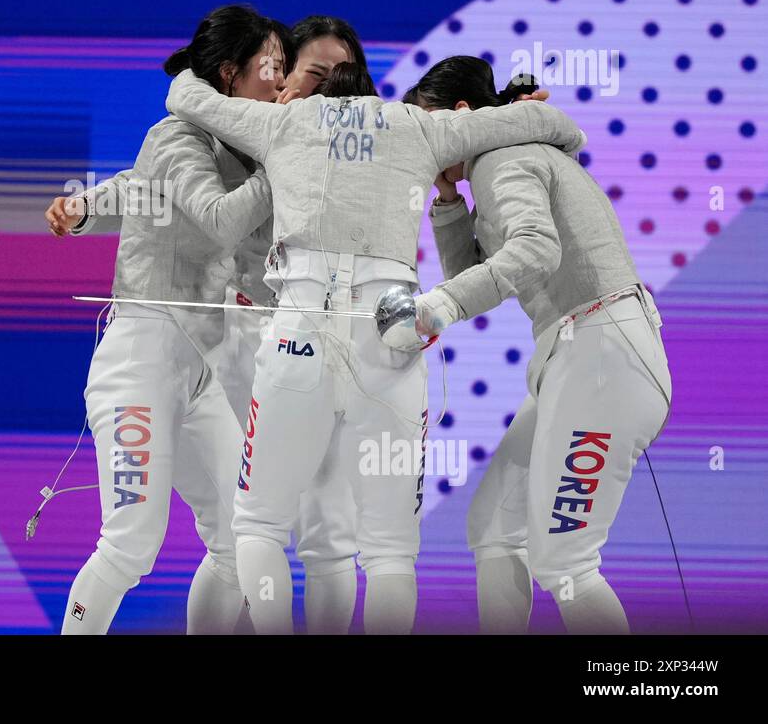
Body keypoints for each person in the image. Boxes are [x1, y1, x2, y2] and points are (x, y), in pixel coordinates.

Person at [165, 53, 587, 634]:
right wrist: (534, 112)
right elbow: (560, 127)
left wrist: (195, 64)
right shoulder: (416, 124)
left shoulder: (283, 121)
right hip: (390, 333)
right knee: (390, 550)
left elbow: (187, 100)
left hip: (299, 334)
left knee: (259, 525)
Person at [403, 57, 671, 635]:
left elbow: (534, 251)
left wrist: (440, 305)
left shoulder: (505, 157)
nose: (420, 149)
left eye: (426, 131)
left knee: (566, 561)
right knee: (493, 528)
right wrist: (448, 203)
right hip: (578, 356)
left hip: (603, 358)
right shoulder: (502, 158)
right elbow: (481, 271)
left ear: (461, 116)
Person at [55, 4, 286, 634]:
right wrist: (285, 162)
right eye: (272, 68)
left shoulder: (235, 146)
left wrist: (85, 206)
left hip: (201, 368)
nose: (282, 83)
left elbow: (142, 186)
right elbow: (212, 214)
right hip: (143, 359)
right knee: (131, 543)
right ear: (230, 72)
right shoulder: (177, 135)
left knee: (240, 542)